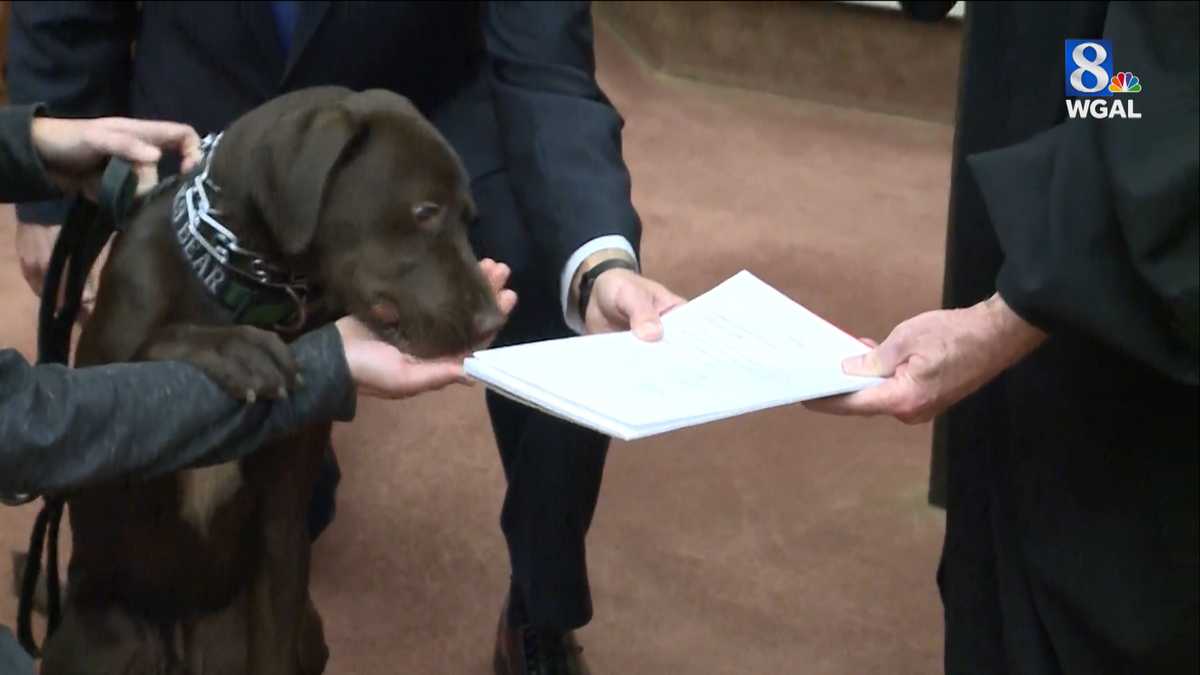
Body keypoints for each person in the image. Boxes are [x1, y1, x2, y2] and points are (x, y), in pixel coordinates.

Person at [6, 3, 685, 672]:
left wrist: (600, 262)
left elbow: (546, 64)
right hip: (197, 121)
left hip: (414, 116)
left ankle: (543, 603)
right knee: (226, 463)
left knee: (544, 274)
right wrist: (42, 172)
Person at [0, 102, 517, 672]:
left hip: (234, 599)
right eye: (424, 215)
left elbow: (281, 529)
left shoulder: (298, 285)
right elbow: (30, 428)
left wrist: (30, 141)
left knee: (296, 644)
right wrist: (312, 373)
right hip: (119, 604)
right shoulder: (148, 272)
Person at [809, 2, 1198, 673]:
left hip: (1127, 283)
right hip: (1046, 105)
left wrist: (1012, 313)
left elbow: (1145, 101)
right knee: (996, 549)